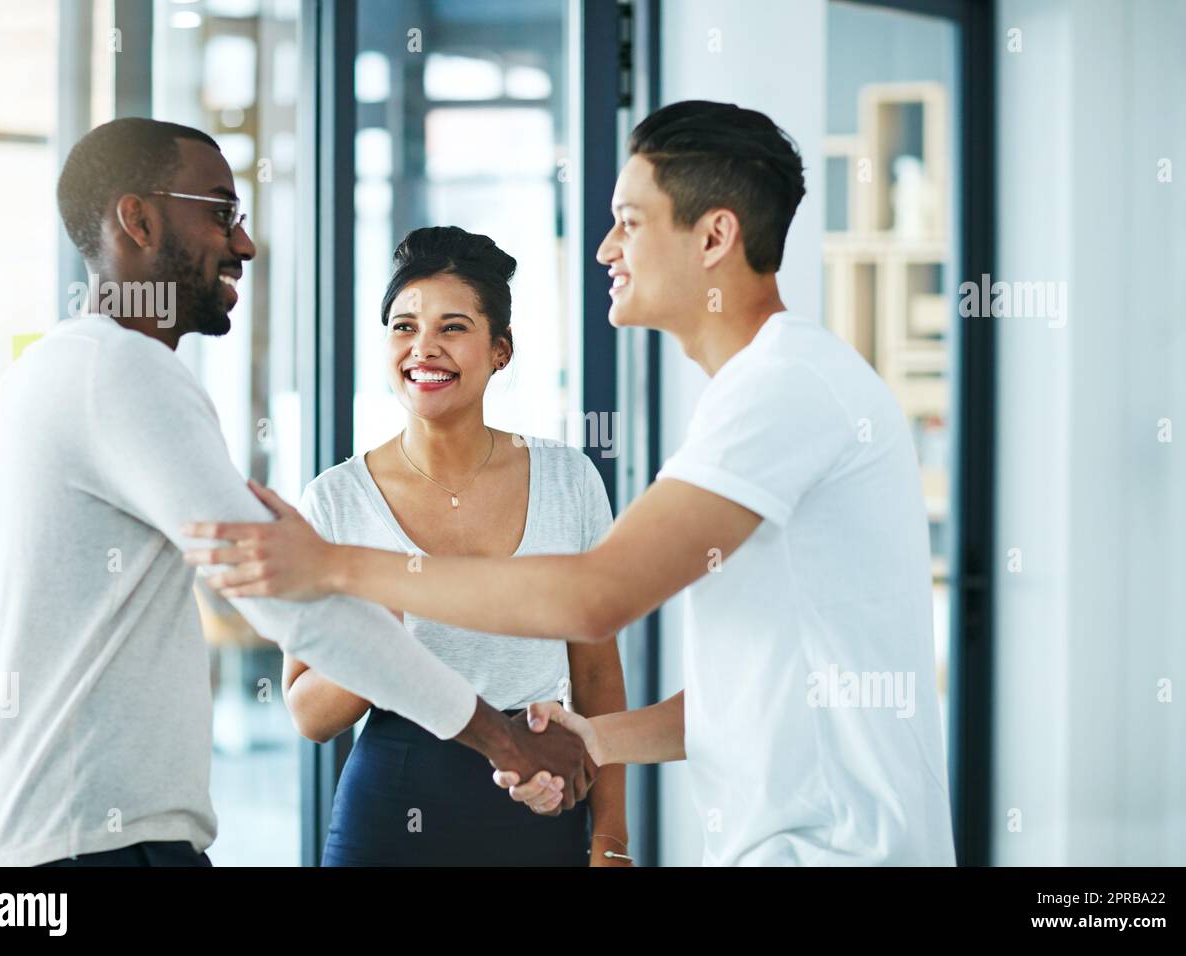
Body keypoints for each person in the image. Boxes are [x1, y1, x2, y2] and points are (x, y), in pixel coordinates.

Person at [183, 100, 956, 866]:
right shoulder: (760, 390)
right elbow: (758, 691)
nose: (604, 249)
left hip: (836, 850)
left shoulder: (780, 391)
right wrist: (597, 738)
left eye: (630, 220)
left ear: (715, 236)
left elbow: (597, 598)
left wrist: (339, 567)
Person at [0, 118, 592, 868]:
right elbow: (295, 606)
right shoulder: (130, 376)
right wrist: (504, 742)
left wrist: (37, 788)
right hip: (114, 857)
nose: (244, 244)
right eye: (219, 213)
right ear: (137, 220)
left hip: (41, 859)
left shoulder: (34, 381)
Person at [285, 225, 629, 866]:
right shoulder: (335, 500)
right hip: (391, 801)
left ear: (500, 350)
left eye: (452, 327)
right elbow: (308, 713)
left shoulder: (568, 477)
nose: (423, 348)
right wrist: (378, 630)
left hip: (542, 794)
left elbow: (598, 673)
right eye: (403, 326)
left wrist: (611, 839)